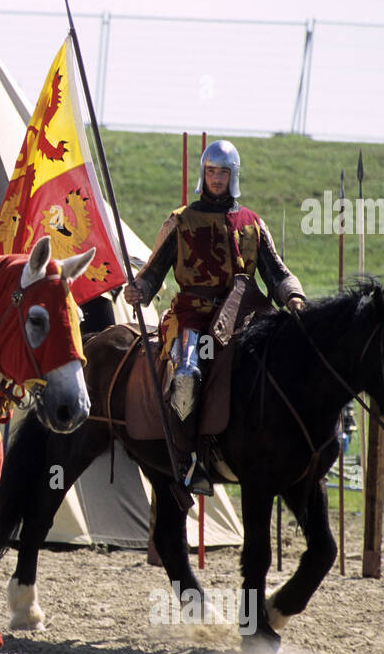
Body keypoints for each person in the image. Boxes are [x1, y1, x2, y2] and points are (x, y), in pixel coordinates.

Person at [123, 139, 306, 493]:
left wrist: (294, 296)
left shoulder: (252, 223)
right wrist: (140, 290)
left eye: (223, 172)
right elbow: (153, 272)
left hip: (245, 316)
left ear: (233, 175)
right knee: (188, 374)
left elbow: (277, 273)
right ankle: (186, 461)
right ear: (203, 175)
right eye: (211, 172)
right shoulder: (182, 220)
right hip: (193, 317)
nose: (217, 179)